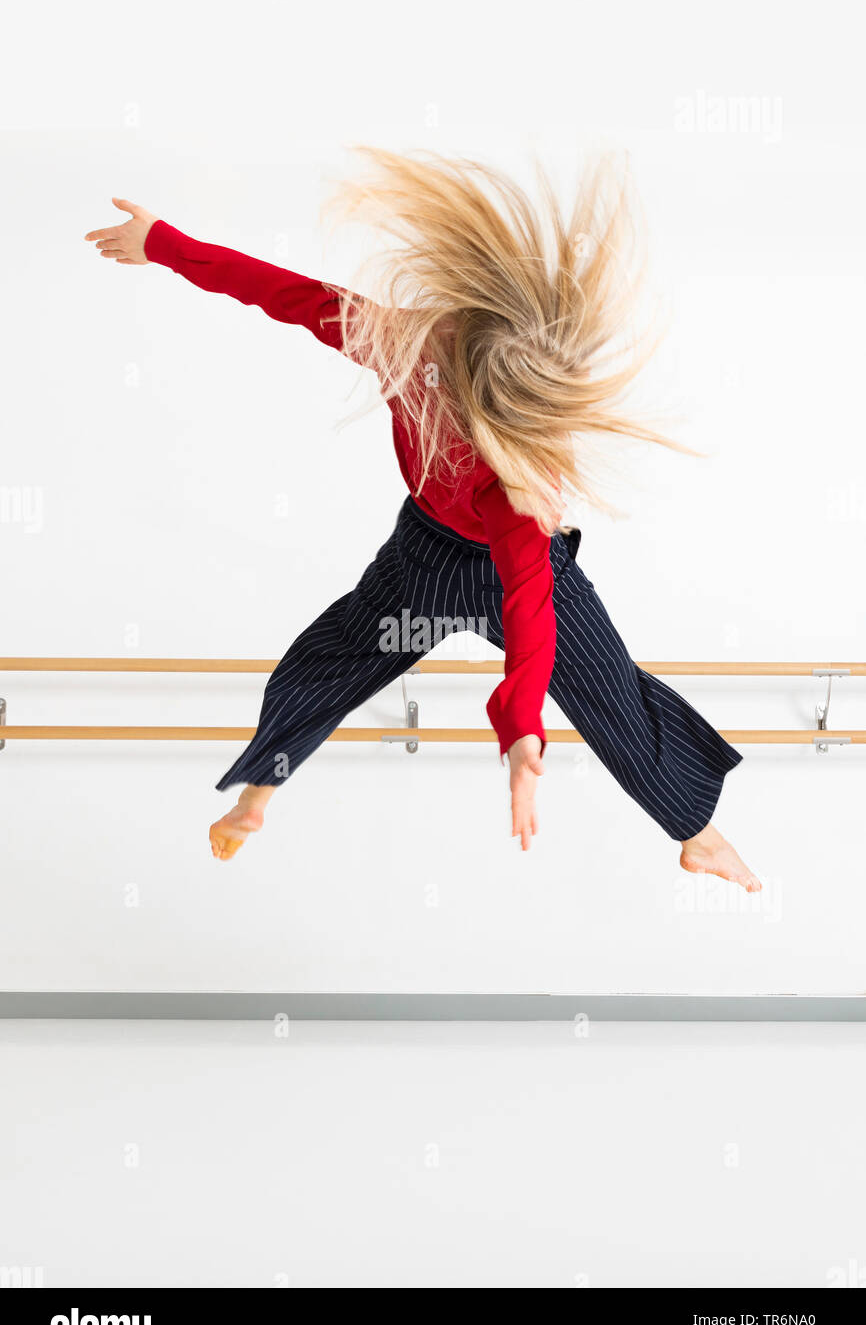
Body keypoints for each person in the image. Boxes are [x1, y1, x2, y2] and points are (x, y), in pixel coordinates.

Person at [85, 149, 759, 891]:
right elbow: (529, 611)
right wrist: (522, 738)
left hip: (421, 566)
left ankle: (257, 797)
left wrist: (162, 245)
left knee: (332, 660)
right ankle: (699, 835)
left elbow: (280, 292)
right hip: (470, 562)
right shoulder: (517, 488)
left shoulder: (401, 341)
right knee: (615, 703)